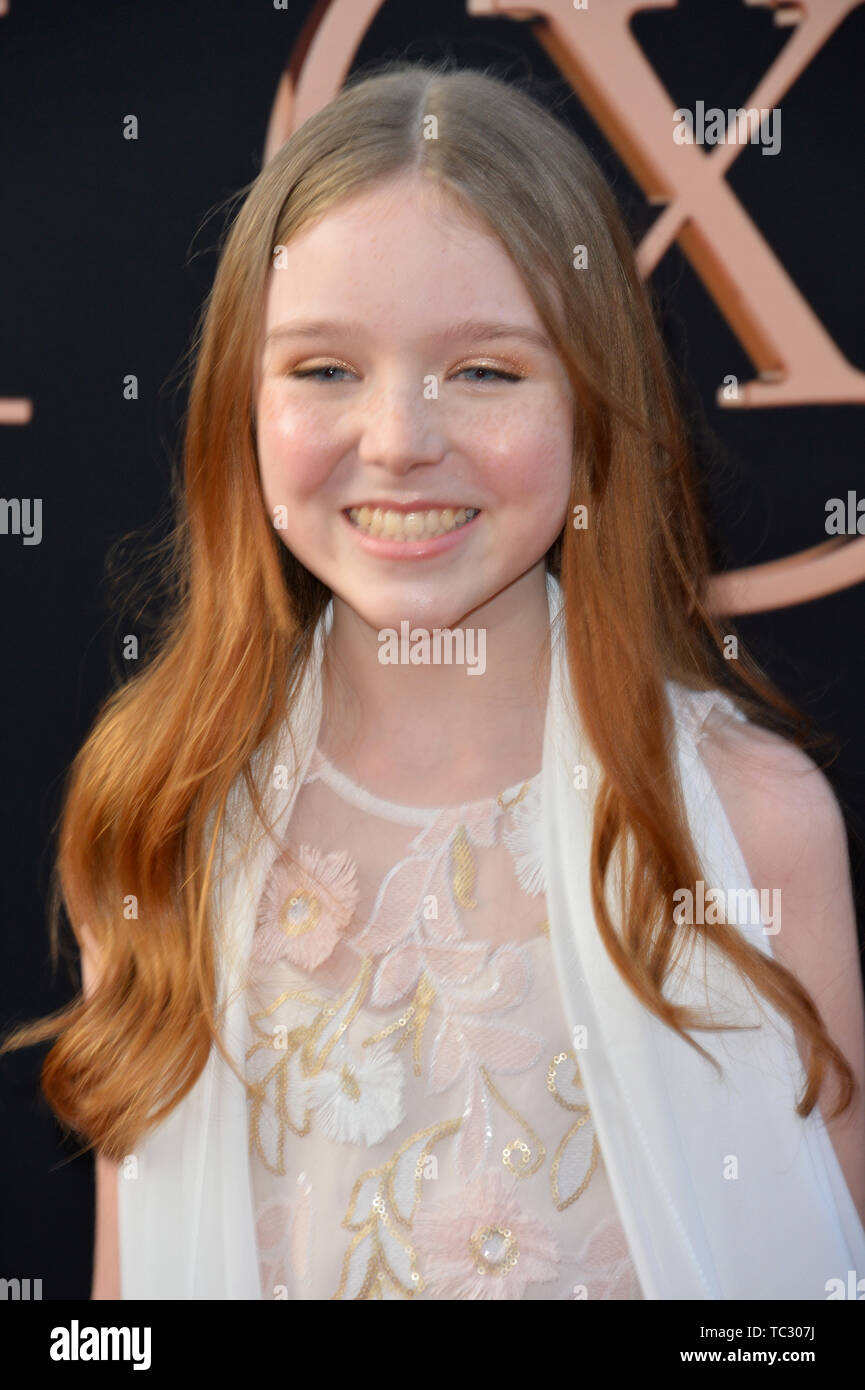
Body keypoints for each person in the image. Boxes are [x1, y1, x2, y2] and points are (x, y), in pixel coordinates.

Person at [3, 59, 864, 1301]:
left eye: (484, 371)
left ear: (593, 402)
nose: (401, 438)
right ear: (240, 409)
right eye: (323, 370)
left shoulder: (747, 827)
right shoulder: (164, 816)